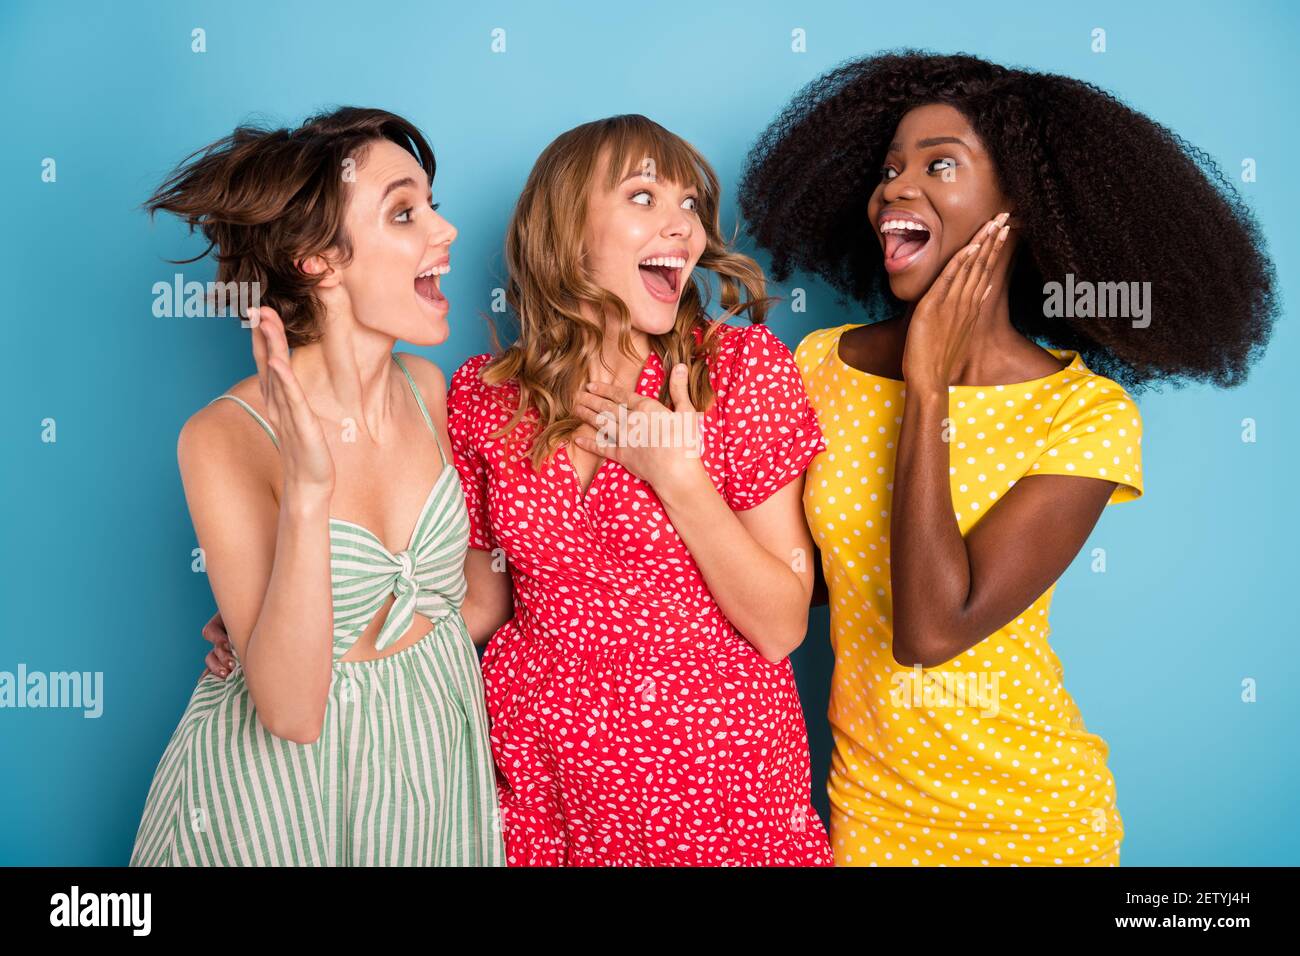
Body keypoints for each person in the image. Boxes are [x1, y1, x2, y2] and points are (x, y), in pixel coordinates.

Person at [737, 51, 1278, 866]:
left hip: (1032, 817)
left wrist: (929, 387)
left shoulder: (1082, 412)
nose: (895, 188)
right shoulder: (821, 364)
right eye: (889, 168)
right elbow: (805, 588)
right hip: (871, 810)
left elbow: (931, 628)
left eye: (939, 164)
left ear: (1020, 207)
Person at [131, 107, 503, 866]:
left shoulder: (428, 388)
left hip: (427, 778)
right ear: (315, 259)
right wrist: (307, 493)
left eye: (431, 203)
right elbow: (294, 712)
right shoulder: (223, 437)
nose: (446, 230)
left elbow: (474, 602)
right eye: (404, 212)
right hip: (276, 803)